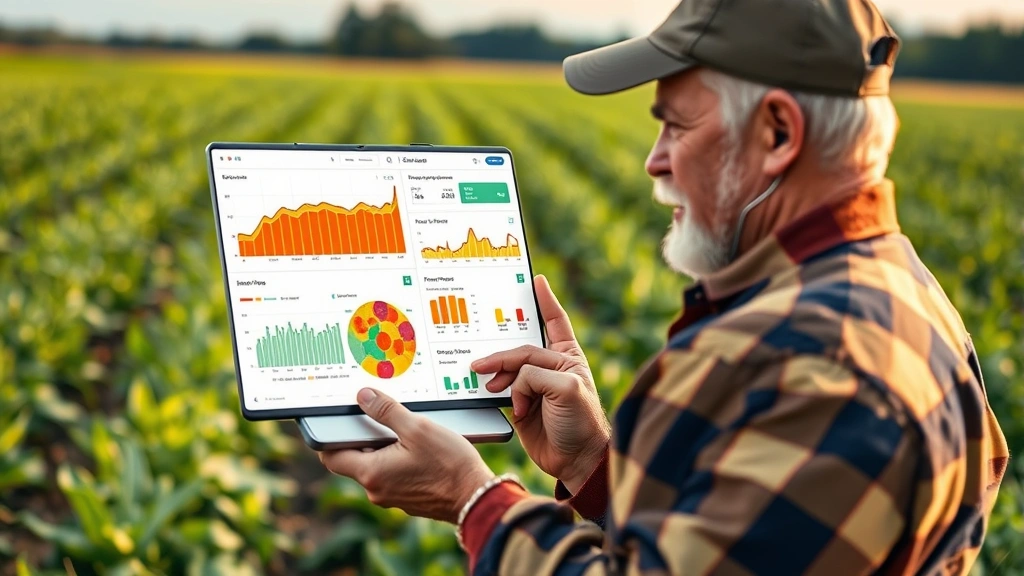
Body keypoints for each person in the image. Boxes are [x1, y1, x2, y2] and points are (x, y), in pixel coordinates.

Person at [320, 0, 1010, 573]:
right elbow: (758, 548)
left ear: (777, 133)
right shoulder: (908, 294)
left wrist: (470, 498)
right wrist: (594, 463)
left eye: (677, 126)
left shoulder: (807, 363)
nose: (654, 162)